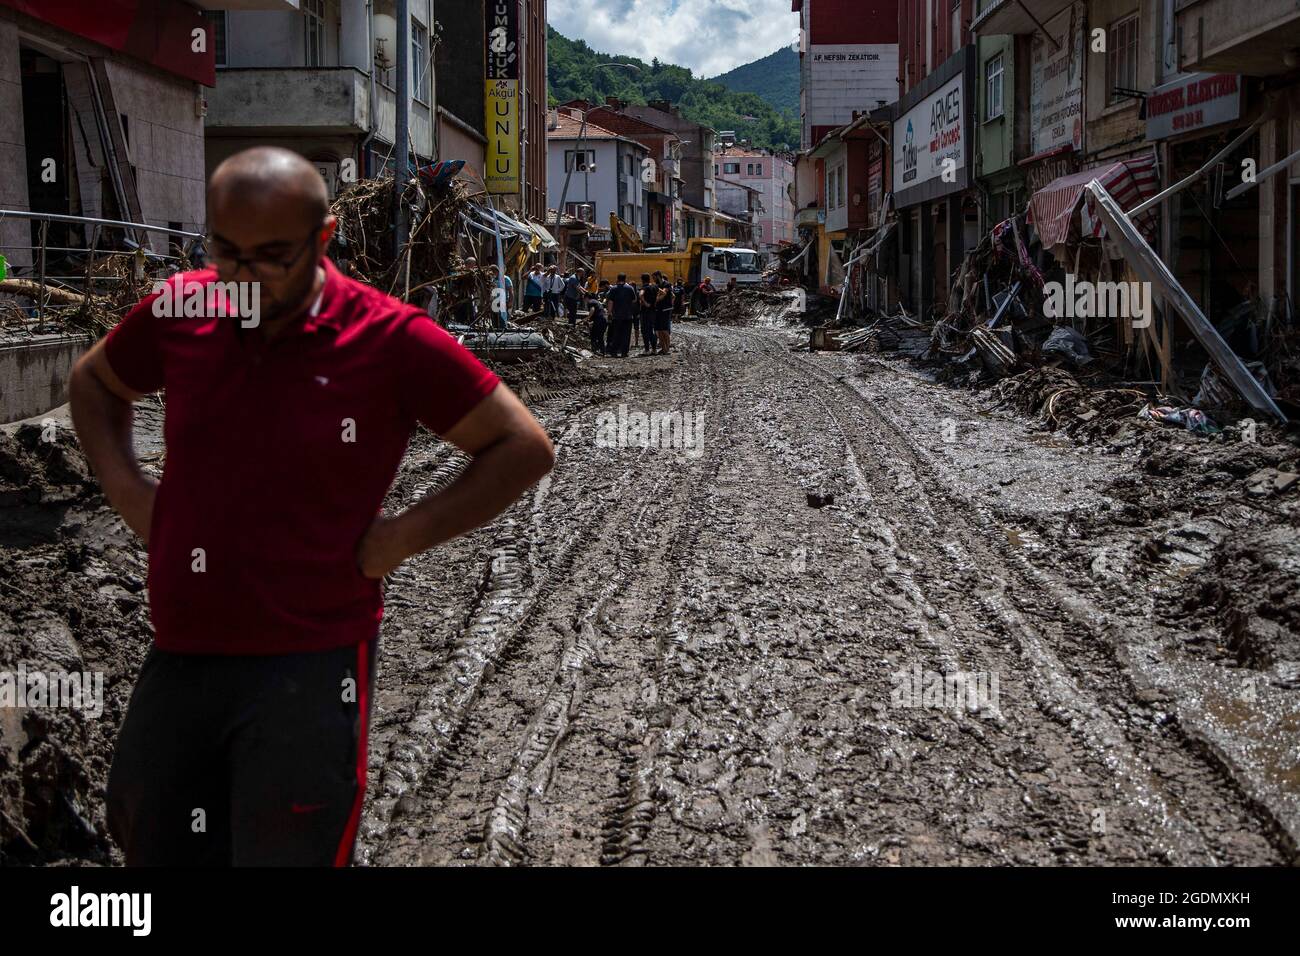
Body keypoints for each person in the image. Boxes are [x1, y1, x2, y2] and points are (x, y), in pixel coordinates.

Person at [68, 146, 555, 866]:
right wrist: (128, 489)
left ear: (323, 239)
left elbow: (521, 446)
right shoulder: (185, 306)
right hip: (182, 650)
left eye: (271, 256)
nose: (244, 276)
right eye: (225, 251)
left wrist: (398, 539)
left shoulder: (389, 338)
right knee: (145, 829)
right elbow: (95, 382)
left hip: (310, 661)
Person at [606, 272, 638, 358]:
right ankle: (624, 352)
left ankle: (614, 352)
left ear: (617, 278)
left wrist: (609, 313)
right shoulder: (630, 288)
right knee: (626, 334)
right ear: (625, 279)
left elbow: (610, 302)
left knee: (616, 334)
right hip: (628, 315)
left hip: (617, 316)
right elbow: (634, 300)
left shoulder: (613, 289)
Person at [452, 256, 478, 326]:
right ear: (468, 264)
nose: (474, 266)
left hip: (468, 295)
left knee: (470, 311)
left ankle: (470, 323)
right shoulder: (460, 271)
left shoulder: (472, 273)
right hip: (460, 296)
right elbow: (455, 284)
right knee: (461, 312)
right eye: (473, 264)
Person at [487, 264, 512, 331]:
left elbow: (510, 291)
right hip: (494, 303)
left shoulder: (506, 279)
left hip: (502, 302)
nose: (491, 274)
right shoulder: (492, 280)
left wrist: (510, 301)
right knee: (494, 320)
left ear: (496, 271)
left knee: (502, 320)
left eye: (492, 272)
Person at [588, 279, 610, 354]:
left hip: (600, 320)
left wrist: (587, 318)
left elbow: (592, 310)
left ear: (586, 298)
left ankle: (595, 350)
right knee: (600, 336)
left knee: (594, 335)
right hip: (604, 319)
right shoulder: (596, 302)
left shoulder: (591, 302)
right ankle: (602, 351)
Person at [638, 273, 657, 355]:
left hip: (645, 312)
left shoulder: (644, 287)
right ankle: (654, 349)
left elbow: (640, 295)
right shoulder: (655, 287)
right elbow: (662, 293)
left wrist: (645, 303)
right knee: (652, 330)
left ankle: (647, 350)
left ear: (642, 280)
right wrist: (656, 302)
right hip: (654, 311)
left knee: (645, 331)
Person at [655, 271, 674, 355]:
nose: (653, 279)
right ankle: (663, 348)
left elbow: (664, 293)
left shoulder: (667, 284)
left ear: (658, 276)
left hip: (665, 309)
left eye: (654, 277)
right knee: (659, 330)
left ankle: (667, 349)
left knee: (664, 329)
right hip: (659, 309)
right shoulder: (657, 285)